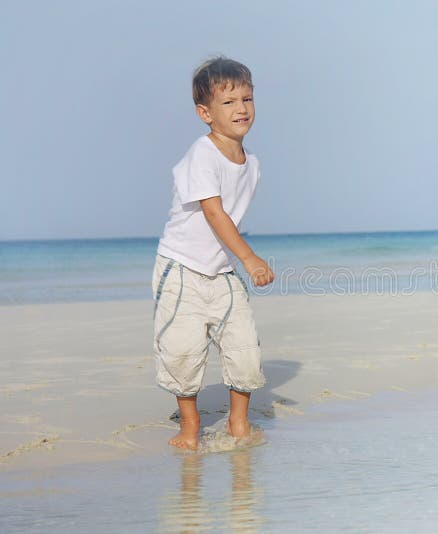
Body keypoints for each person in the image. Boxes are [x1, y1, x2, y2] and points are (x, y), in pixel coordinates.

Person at [151, 56, 274, 450]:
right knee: (183, 350)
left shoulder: (251, 163)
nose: (241, 108)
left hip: (220, 271)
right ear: (205, 113)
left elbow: (231, 216)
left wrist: (235, 258)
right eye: (229, 102)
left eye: (248, 99)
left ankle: (239, 423)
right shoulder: (201, 155)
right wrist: (249, 258)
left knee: (244, 347)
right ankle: (190, 426)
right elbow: (214, 212)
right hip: (182, 269)